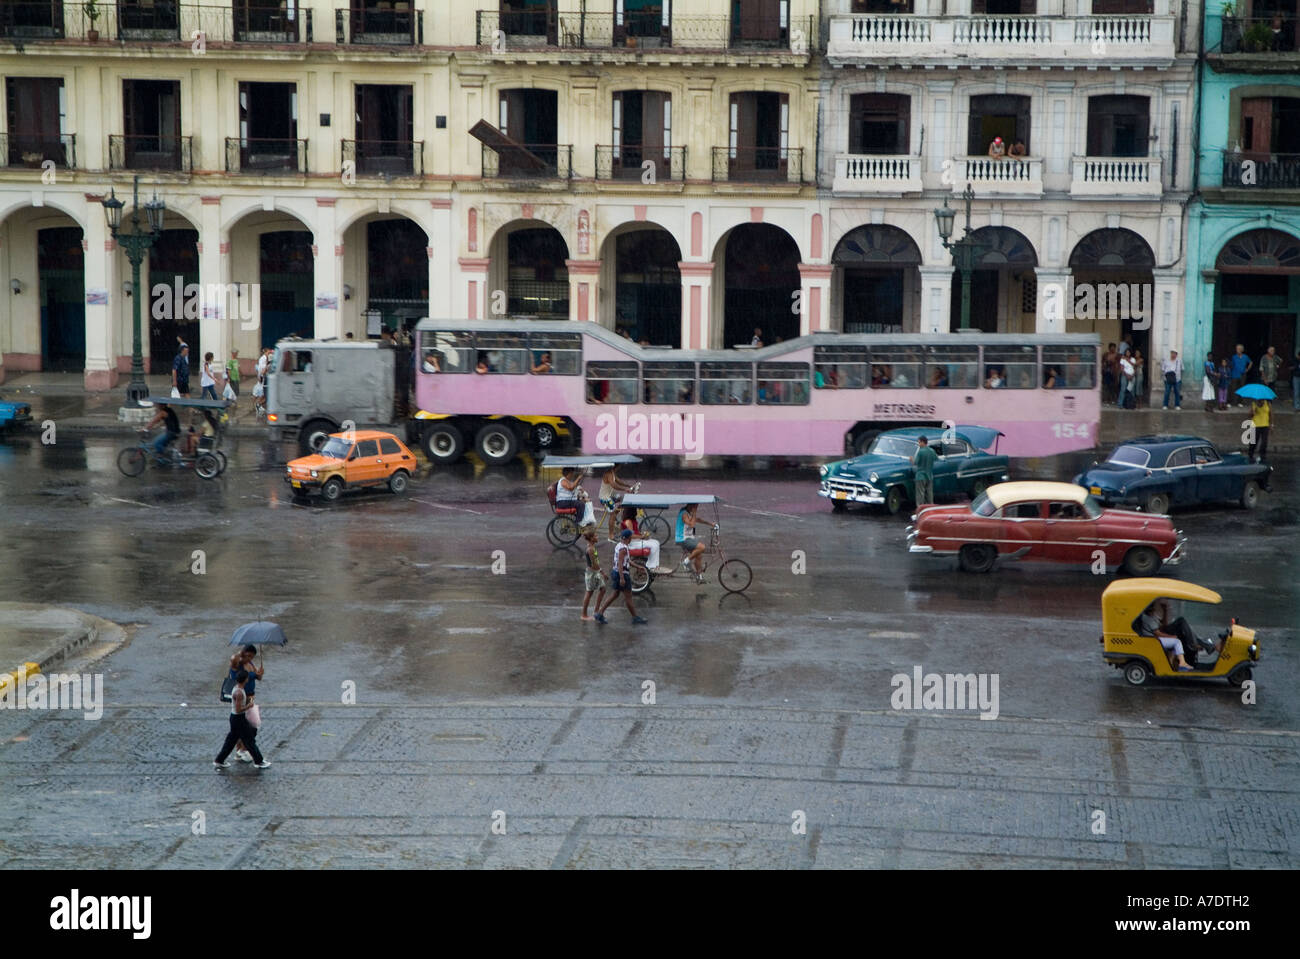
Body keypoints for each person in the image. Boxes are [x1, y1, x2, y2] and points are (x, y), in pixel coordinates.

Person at [214, 670, 270, 769]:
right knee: (249, 740)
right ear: (245, 679)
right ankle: (259, 761)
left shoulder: (237, 688)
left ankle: (219, 760)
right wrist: (249, 706)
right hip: (238, 719)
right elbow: (238, 709)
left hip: (235, 718)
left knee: (231, 741)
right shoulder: (239, 693)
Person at [595, 529, 647, 625]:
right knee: (628, 597)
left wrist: (637, 566)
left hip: (616, 573)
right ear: (628, 538)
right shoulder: (623, 549)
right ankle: (635, 617)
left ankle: (600, 613)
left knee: (615, 594)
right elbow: (620, 563)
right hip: (621, 574)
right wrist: (622, 578)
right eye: (631, 537)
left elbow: (626, 561)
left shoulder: (620, 546)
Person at [225, 645, 264, 762]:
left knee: (245, 726)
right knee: (251, 726)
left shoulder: (250, 664)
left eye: (252, 657)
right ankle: (242, 750)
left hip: (251, 696)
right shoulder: (237, 662)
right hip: (242, 697)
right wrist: (241, 653)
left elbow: (258, 677)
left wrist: (259, 674)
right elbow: (233, 659)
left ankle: (240, 750)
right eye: (248, 656)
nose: (249, 658)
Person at [1135, 602, 1194, 672]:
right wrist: (1171, 637)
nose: (1153, 611)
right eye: (1152, 610)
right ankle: (1182, 663)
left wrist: (1165, 611)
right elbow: (1158, 633)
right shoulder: (1147, 619)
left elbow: (1163, 625)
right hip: (1153, 640)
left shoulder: (1153, 616)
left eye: (1153, 609)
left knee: (1174, 646)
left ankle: (1171, 665)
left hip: (1157, 638)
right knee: (1177, 642)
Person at [675, 503, 711, 583]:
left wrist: (711, 524)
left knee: (699, 555)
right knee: (702, 547)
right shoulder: (684, 513)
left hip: (689, 538)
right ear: (691, 506)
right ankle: (686, 561)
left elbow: (697, 520)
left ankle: (699, 577)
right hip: (682, 539)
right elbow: (692, 524)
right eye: (696, 506)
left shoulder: (689, 512)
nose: (697, 508)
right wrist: (694, 513)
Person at [620, 506, 663, 572]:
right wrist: (642, 536)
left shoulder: (632, 520)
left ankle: (654, 564)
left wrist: (642, 534)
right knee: (654, 545)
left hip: (637, 540)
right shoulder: (628, 522)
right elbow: (631, 535)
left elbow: (635, 532)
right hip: (633, 543)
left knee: (656, 542)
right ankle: (651, 566)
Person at [600, 465, 638, 539]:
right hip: (605, 498)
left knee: (622, 499)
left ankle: (616, 522)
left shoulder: (612, 473)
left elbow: (618, 481)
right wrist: (625, 489)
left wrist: (628, 486)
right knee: (613, 513)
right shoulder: (609, 474)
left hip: (611, 496)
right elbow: (614, 485)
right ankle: (611, 536)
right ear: (617, 466)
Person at [580, 526, 608, 621]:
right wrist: (602, 573)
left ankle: (596, 610)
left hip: (595, 572)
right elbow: (594, 564)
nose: (597, 537)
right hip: (592, 573)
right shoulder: (590, 549)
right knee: (589, 592)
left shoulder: (592, 547)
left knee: (603, 589)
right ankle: (584, 615)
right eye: (596, 536)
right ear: (591, 538)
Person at [912, 435, 937, 506]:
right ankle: (930, 507)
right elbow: (936, 459)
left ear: (923, 442)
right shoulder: (932, 451)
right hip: (929, 475)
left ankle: (920, 508)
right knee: (929, 493)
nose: (919, 444)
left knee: (920, 494)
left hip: (920, 476)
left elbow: (916, 462)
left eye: (919, 442)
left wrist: (911, 460)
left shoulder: (920, 452)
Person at [1249, 398, 1271, 462]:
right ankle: (1251, 454)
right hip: (1255, 425)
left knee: (1264, 441)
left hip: (1265, 425)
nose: (1261, 400)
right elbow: (1250, 415)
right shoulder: (1254, 404)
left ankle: (1262, 455)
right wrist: (1252, 412)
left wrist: (1271, 424)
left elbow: (1271, 414)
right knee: (1253, 442)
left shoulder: (1268, 403)